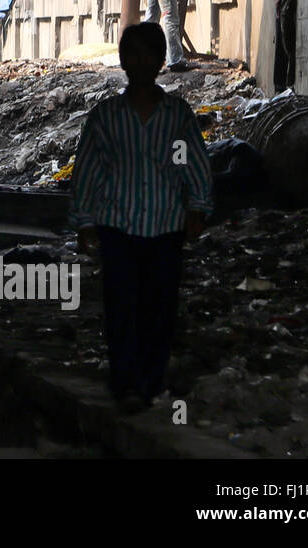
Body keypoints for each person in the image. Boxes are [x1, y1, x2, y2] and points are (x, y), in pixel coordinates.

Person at [69, 22, 213, 412]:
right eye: (133, 54)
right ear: (123, 61)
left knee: (159, 307)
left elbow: (193, 164)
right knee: (121, 307)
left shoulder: (177, 116)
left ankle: (151, 379)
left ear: (160, 61)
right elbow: (89, 170)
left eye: (149, 54)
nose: (141, 61)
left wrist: (197, 207)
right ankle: (127, 383)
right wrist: (83, 221)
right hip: (117, 225)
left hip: (166, 226)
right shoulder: (106, 117)